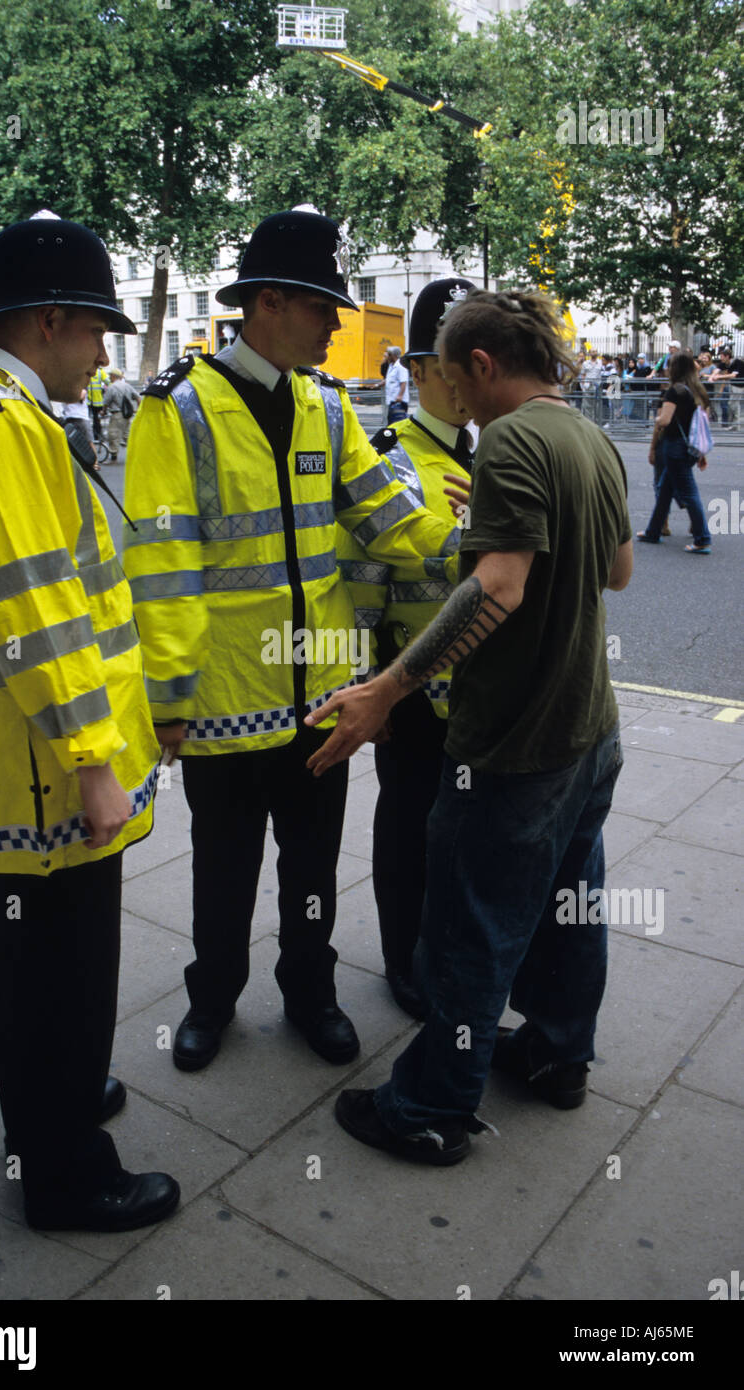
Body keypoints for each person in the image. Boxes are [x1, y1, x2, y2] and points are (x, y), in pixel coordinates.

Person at [123, 209, 465, 1073]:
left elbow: (383, 517)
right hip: (225, 700)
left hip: (318, 699)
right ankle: (213, 1000)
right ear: (269, 302)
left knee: (311, 872)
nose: (337, 324)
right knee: (224, 871)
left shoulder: (323, 406)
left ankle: (311, 992)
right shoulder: (178, 410)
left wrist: (464, 543)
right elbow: (161, 568)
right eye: (324, 307)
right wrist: (165, 698)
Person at [0, 213, 179, 1233]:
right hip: (42, 772)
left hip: (4, 762)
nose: (106, 353)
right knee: (62, 970)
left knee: (29, 964)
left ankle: (47, 1103)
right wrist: (95, 762)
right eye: (96, 330)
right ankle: (64, 1171)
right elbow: (30, 619)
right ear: (50, 321)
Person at [303, 287, 632, 1167]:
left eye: (454, 379)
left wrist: (387, 689)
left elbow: (497, 587)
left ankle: (429, 1106)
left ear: (482, 366)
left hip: (514, 741)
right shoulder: (590, 435)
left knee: (470, 929)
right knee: (569, 910)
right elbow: (618, 569)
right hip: (589, 731)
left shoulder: (512, 439)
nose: (453, 396)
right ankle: (558, 1058)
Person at [338, 278, 475, 1019]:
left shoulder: (493, 450)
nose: (458, 381)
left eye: (470, 361)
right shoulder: (388, 457)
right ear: (415, 370)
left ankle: (451, 948)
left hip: (483, 690)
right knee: (408, 829)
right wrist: (367, 683)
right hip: (415, 688)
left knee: (465, 835)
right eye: (441, 363)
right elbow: (362, 579)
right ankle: (405, 960)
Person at [636, 351, 711, 553]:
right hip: (690, 447)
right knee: (665, 489)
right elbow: (701, 425)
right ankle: (654, 530)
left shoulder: (674, 391)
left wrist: (656, 420)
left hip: (673, 445)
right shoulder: (698, 391)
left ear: (676, 368)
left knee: (688, 492)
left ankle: (702, 538)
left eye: (669, 365)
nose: (667, 369)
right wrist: (702, 454)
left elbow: (665, 420)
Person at [103, 367, 140, 460]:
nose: (109, 377)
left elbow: (106, 402)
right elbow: (138, 398)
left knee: (114, 434)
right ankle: (135, 452)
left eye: (110, 375)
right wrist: (138, 410)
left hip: (117, 414)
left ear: (113, 376)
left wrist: (103, 411)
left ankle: (114, 454)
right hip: (127, 414)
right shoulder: (127, 386)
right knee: (127, 434)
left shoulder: (112, 387)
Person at [384, 344, 410, 423]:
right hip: (392, 400)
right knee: (391, 422)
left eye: (388, 354)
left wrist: (400, 396)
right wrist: (377, 385)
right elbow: (389, 379)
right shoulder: (391, 366)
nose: (386, 356)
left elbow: (403, 382)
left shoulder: (400, 366)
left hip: (399, 401)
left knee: (397, 423)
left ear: (393, 355)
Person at [87, 364, 109, 440]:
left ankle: (96, 435)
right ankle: (94, 435)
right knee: (89, 420)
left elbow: (108, 382)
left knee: (96, 420)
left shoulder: (100, 371)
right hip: (88, 401)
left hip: (96, 401)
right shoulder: (86, 370)